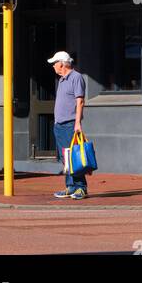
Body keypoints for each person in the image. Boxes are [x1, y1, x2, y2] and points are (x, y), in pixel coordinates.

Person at [49, 51, 88, 200]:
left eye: (54, 63)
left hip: (70, 124)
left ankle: (81, 188)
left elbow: (80, 101)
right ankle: (70, 187)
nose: (53, 66)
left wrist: (77, 123)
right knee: (65, 159)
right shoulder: (62, 80)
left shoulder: (76, 78)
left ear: (61, 63)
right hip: (59, 125)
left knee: (74, 157)